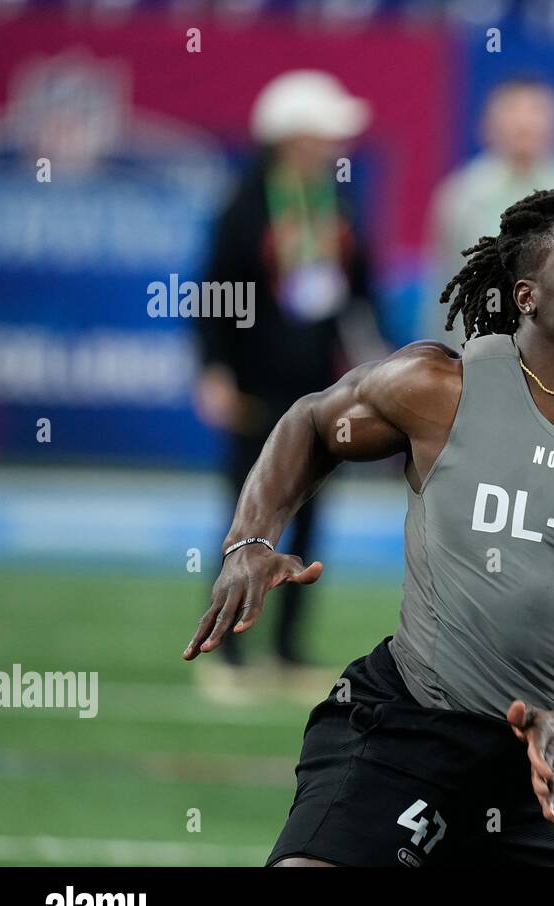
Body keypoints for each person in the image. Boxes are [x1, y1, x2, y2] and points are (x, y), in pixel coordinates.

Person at [183, 184, 554, 866]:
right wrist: (253, 540)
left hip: (539, 773)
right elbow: (314, 422)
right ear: (526, 295)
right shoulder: (443, 389)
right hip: (403, 733)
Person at [194, 70, 385, 678]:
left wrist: (378, 356)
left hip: (321, 389)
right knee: (247, 519)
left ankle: (287, 648)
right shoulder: (246, 204)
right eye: (323, 133)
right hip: (255, 384)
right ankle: (228, 651)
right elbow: (212, 293)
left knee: (314, 515)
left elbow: (358, 289)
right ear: (291, 136)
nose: (336, 145)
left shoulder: (339, 199)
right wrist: (215, 370)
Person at [423, 76, 554, 351]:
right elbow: (444, 287)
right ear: (486, 126)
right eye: (513, 113)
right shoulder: (461, 197)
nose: (524, 123)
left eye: (535, 113)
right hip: (481, 356)